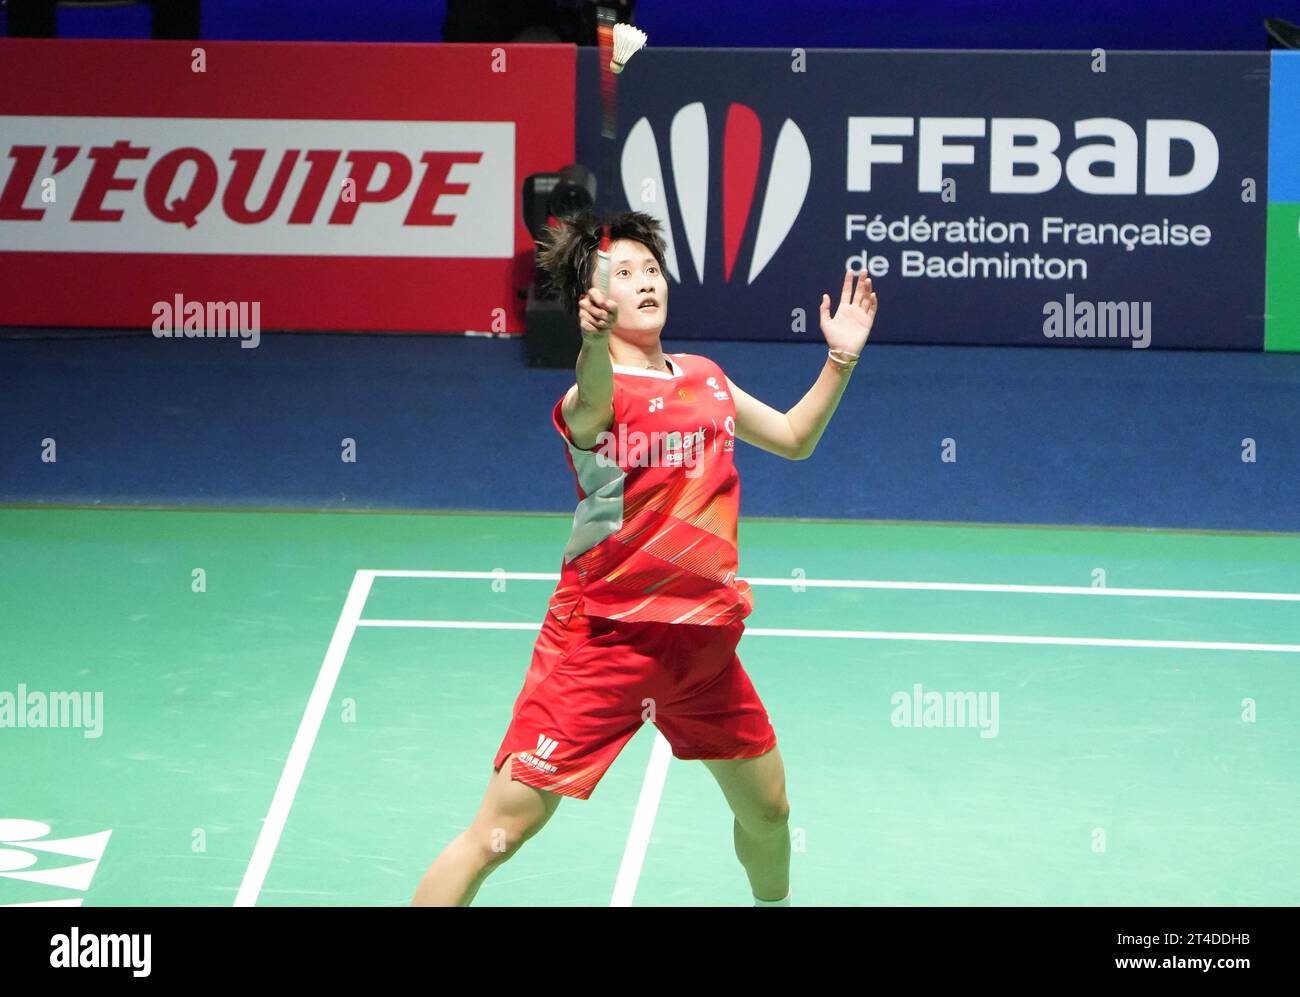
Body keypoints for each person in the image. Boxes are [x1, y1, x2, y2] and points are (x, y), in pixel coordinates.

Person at [411, 209, 878, 907]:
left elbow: (792, 436)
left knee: (770, 811)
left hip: (700, 643)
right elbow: (593, 394)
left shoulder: (706, 378)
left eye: (650, 269)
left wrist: (839, 359)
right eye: (622, 274)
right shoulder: (592, 397)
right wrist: (592, 343)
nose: (644, 281)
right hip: (603, 641)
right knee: (502, 830)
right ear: (594, 302)